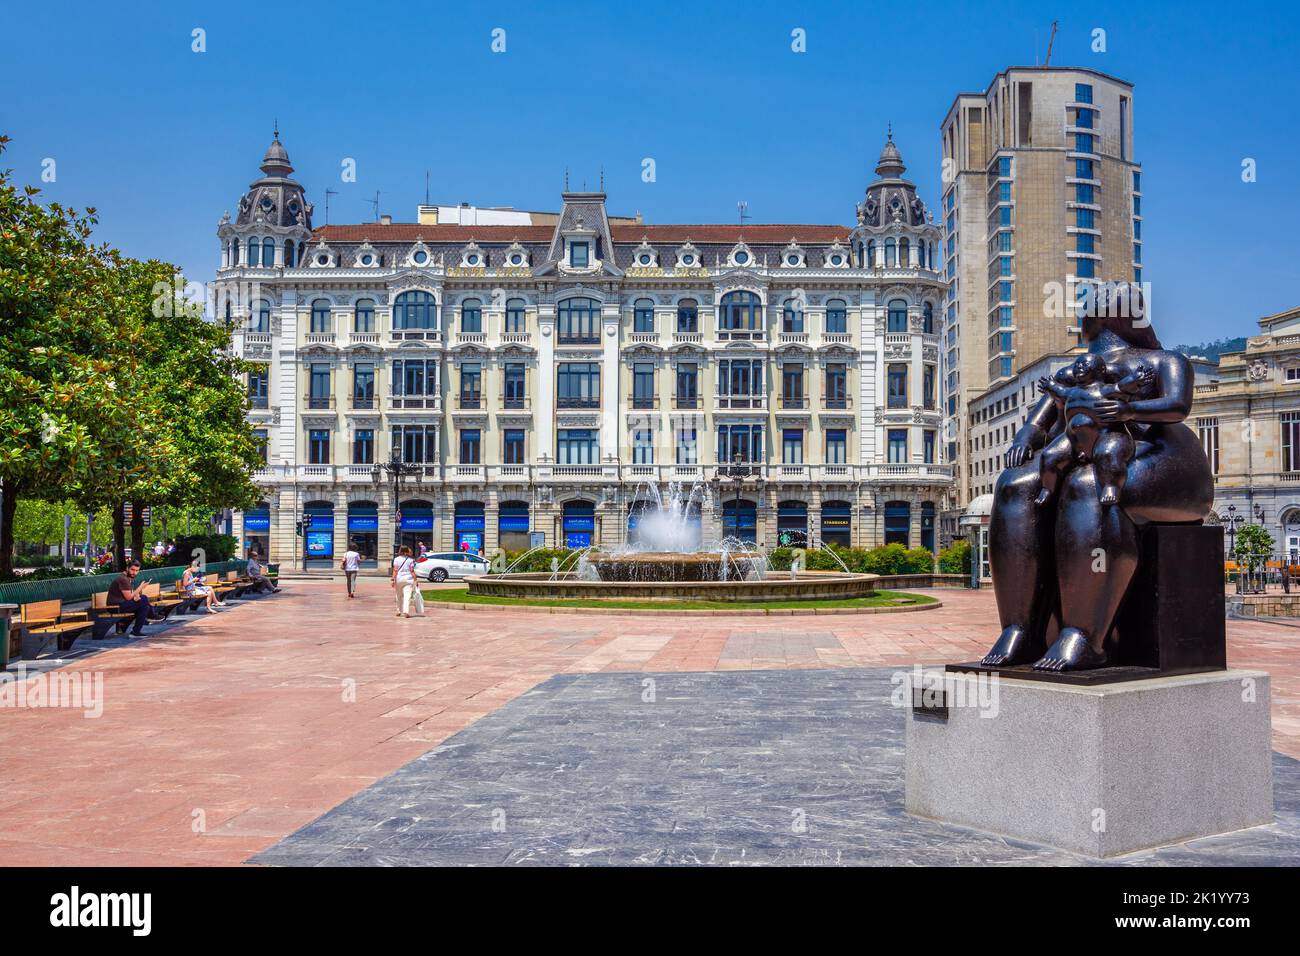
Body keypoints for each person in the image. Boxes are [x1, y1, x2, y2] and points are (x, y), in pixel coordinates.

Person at [983, 283, 1214, 672]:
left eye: (1091, 310)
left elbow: (1178, 407)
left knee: (1088, 486)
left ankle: (1086, 635)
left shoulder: (1164, 361)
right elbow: (1037, 423)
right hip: (1088, 454)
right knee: (1014, 487)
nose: (1084, 316)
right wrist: (1025, 439)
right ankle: (1020, 629)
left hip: (1161, 462)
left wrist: (1127, 411)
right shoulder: (1072, 371)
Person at [1034, 354, 1156, 508]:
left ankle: (1111, 485)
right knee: (1049, 456)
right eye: (1077, 364)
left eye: (1084, 364)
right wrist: (1049, 385)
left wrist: (1137, 379)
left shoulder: (1105, 390)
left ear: (1100, 370)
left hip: (1106, 436)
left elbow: (1122, 386)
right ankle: (1048, 488)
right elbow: (1058, 390)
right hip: (1073, 439)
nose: (1079, 367)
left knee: (1108, 455)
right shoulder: (1070, 393)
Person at [106, 559, 157, 636]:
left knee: (143, 605)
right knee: (144, 599)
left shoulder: (127, 578)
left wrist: (136, 597)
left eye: (137, 571)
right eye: (132, 570)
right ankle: (152, 615)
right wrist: (140, 587)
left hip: (121, 604)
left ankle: (137, 630)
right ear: (127, 568)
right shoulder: (123, 579)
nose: (134, 573)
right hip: (115, 607)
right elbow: (129, 597)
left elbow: (130, 594)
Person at [391, 545, 423, 618]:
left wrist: (393, 579)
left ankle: (399, 611)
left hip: (398, 579)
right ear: (406, 551)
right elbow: (412, 571)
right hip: (408, 579)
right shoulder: (410, 560)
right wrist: (416, 580)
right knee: (407, 596)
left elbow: (395, 570)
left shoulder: (396, 559)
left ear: (400, 551)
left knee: (398, 596)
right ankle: (406, 611)